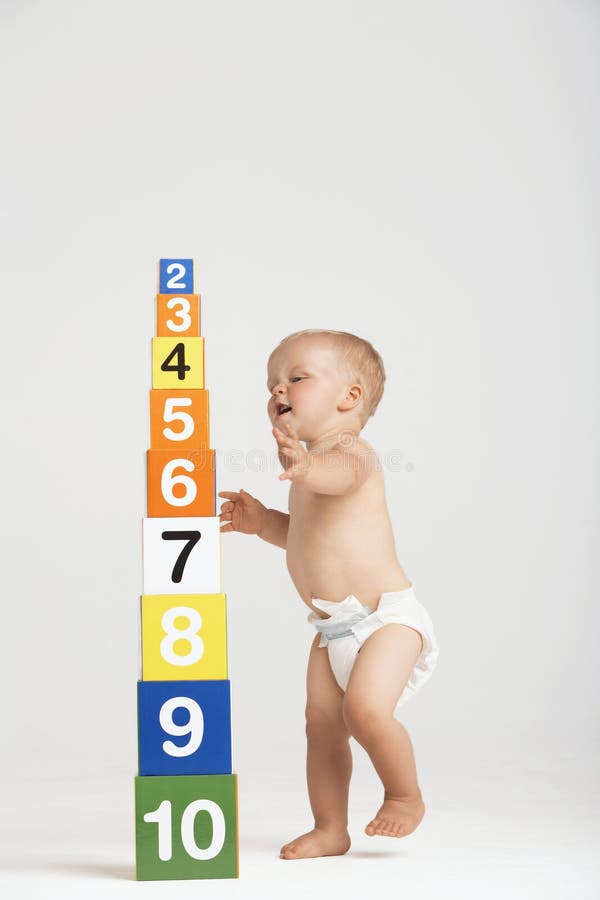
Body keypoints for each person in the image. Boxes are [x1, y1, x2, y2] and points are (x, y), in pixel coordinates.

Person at [218, 329, 439, 860]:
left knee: (365, 712)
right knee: (321, 726)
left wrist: (306, 467)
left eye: (296, 379)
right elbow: (303, 535)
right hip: (333, 629)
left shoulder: (350, 454)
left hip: (387, 621)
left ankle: (404, 795)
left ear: (351, 397)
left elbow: (336, 477)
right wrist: (263, 521)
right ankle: (330, 827)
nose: (277, 392)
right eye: (271, 385)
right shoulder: (310, 468)